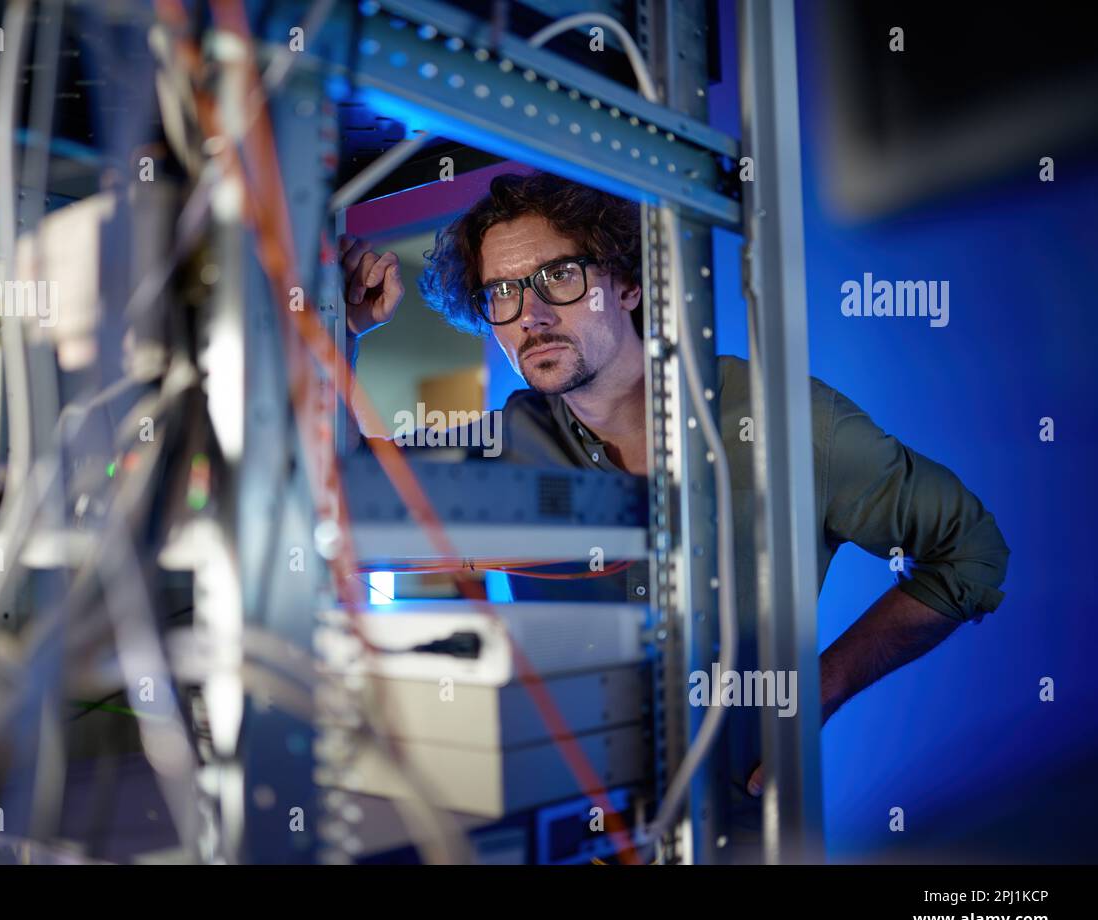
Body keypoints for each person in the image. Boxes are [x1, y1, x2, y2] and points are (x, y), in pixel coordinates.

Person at [337, 170, 1010, 805]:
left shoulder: (780, 421)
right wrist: (344, 331)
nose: (530, 314)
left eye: (560, 276)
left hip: (737, 822)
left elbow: (970, 552)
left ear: (628, 283)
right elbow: (334, 496)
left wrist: (823, 688)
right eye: (502, 293)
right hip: (570, 818)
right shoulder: (507, 442)